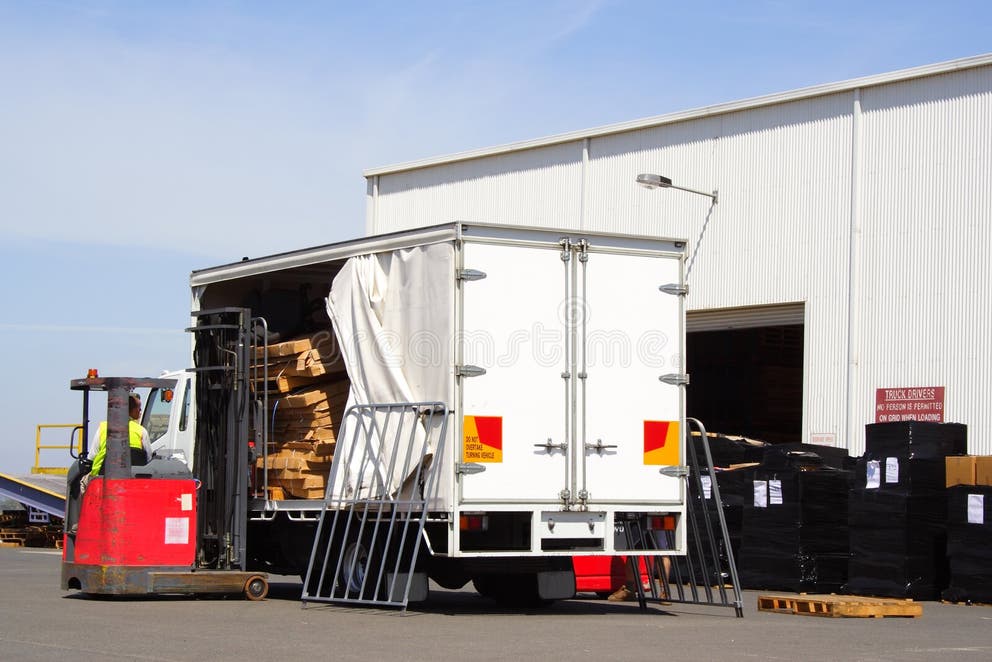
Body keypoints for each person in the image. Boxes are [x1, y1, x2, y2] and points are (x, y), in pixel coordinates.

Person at [82, 392, 152, 488]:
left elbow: (92, 457)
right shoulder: (141, 431)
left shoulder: (103, 428)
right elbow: (148, 458)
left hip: (101, 478)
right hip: (134, 481)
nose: (140, 411)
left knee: (82, 485)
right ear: (131, 410)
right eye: (138, 408)